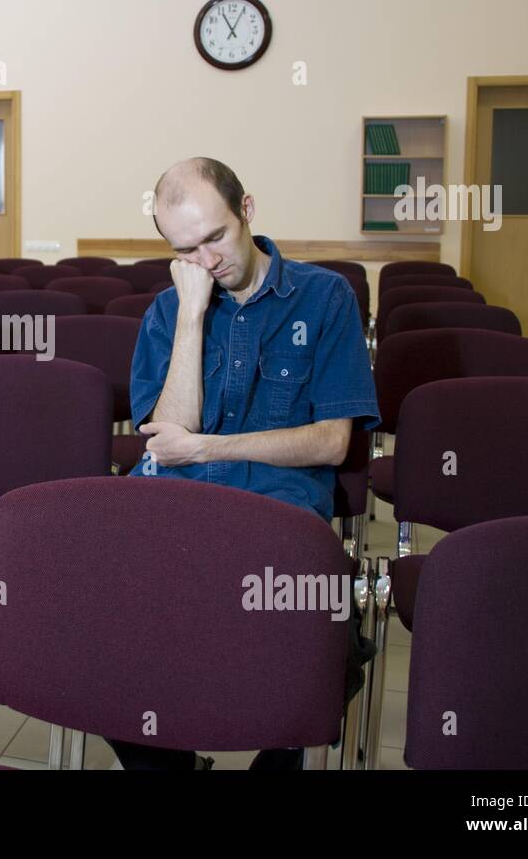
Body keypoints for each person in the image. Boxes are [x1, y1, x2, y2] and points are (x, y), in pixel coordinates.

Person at [109, 157, 379, 771]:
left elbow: (331, 444)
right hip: (174, 511)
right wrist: (191, 315)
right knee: (89, 620)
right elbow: (170, 430)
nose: (206, 261)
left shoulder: (324, 297)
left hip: (277, 515)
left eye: (215, 238)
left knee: (314, 643)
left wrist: (207, 449)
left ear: (248, 212)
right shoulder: (168, 311)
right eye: (185, 250)